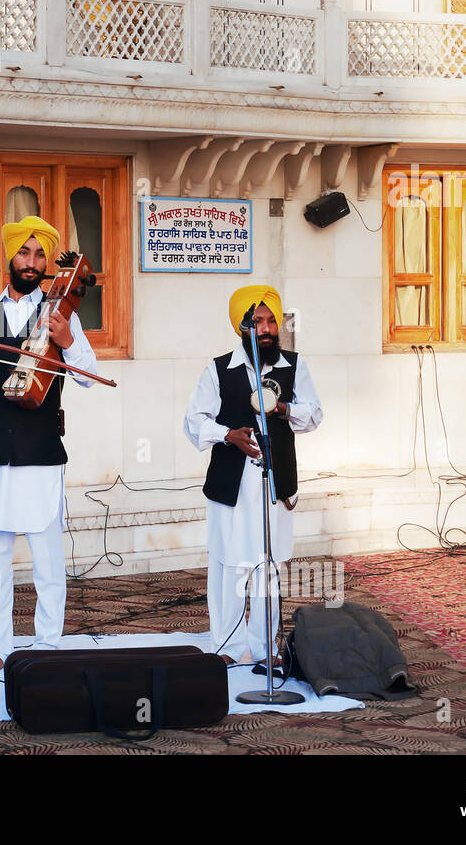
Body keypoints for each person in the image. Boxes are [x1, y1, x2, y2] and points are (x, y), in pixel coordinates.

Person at [0, 216, 98, 676]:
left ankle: (48, 643)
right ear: (10, 257)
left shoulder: (59, 313)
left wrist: (68, 342)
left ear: (48, 264)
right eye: (24, 253)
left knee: (48, 558)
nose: (31, 263)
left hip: (41, 451)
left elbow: (88, 376)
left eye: (39, 256)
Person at [184, 284, 322, 667]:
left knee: (268, 564)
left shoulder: (293, 365)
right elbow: (194, 423)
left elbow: (313, 414)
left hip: (274, 484)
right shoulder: (218, 370)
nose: (265, 328)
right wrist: (228, 434)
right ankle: (227, 646)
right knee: (229, 564)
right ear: (241, 327)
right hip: (231, 485)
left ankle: (264, 648)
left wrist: (282, 409)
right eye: (256, 321)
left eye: (271, 320)